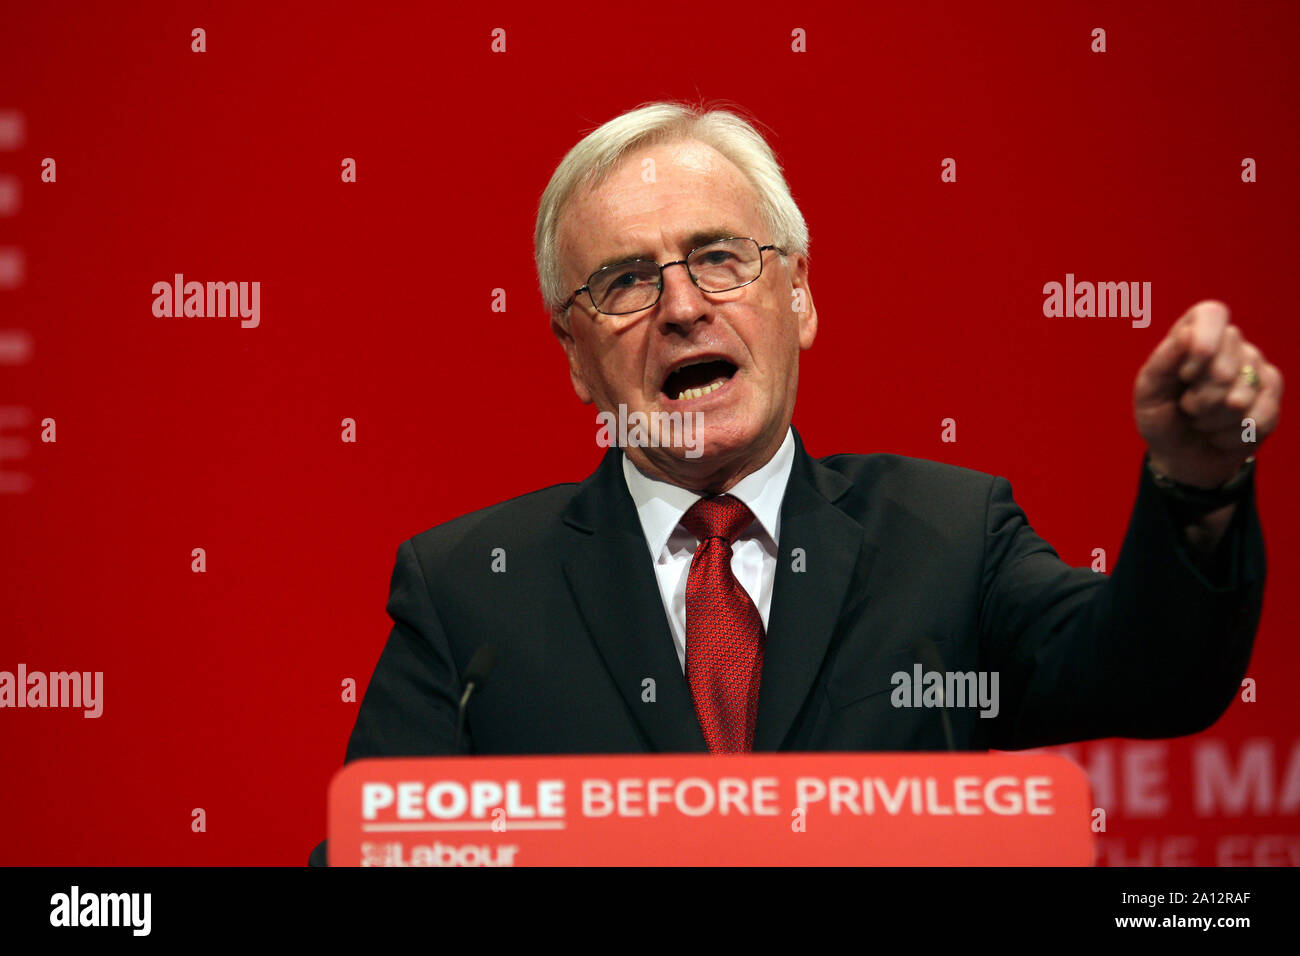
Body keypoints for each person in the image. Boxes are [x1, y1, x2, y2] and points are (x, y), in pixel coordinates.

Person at [308, 102, 1279, 865]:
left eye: (720, 257)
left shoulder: (945, 533)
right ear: (574, 356)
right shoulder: (470, 582)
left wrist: (1196, 480)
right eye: (624, 282)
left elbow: (1157, 675)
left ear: (800, 295)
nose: (683, 306)